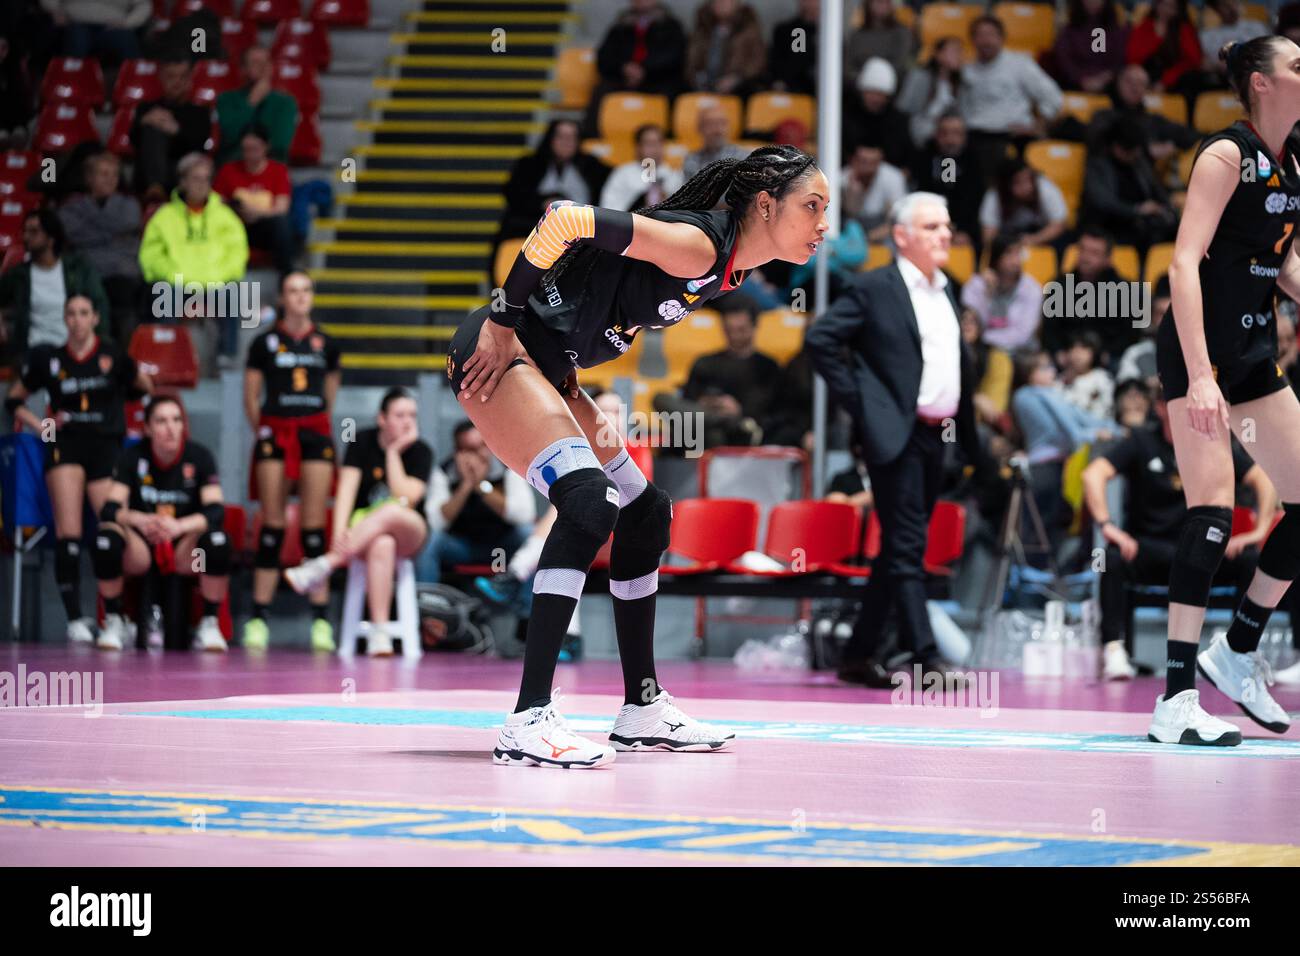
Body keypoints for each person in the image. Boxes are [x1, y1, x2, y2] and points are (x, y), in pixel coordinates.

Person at [446, 146, 830, 765]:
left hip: (554, 371)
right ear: (766, 204)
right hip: (503, 355)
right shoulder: (699, 245)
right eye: (812, 207)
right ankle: (528, 718)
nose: (822, 224)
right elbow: (566, 220)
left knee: (647, 510)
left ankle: (643, 706)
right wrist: (502, 319)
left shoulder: (729, 267)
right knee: (588, 502)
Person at [1147, 35, 1300, 745]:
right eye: (1297, 63)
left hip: (1253, 353)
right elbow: (1183, 263)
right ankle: (1174, 699)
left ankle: (1236, 652)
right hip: (1196, 349)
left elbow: (1281, 265)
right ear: (1262, 84)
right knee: (1212, 507)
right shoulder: (1225, 155)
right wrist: (1201, 374)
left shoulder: (1292, 164)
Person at [805, 192, 983, 689]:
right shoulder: (874, 288)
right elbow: (820, 340)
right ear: (901, 236)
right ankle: (924, 657)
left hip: (935, 438)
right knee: (906, 545)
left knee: (898, 550)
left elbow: (957, 371)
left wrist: (972, 446)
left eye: (946, 226)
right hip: (894, 436)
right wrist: (864, 404)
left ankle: (858, 655)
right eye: (931, 227)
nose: (944, 234)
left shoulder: (948, 289)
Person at [1082, 388, 1274, 680]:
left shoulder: (1213, 442)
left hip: (1203, 553)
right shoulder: (1140, 441)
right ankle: (1114, 650)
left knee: (1250, 559)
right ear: (1161, 407)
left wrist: (1259, 531)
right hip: (1151, 550)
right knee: (1110, 558)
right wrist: (1108, 526)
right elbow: (1092, 474)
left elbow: (1263, 478)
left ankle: (1241, 652)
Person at [4, 295, 152, 644]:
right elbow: (13, 399)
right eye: (70, 313)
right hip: (65, 445)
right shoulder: (49, 358)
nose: (77, 320)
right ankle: (74, 619)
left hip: (106, 446)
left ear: (95, 319)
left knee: (113, 527)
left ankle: (119, 615)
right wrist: (40, 424)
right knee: (68, 533)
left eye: (84, 313)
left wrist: (126, 398)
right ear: (65, 319)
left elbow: (145, 389)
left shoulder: (113, 355)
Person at [284, 388, 433, 657]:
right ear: (382, 419)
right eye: (400, 415)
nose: (408, 421)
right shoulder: (361, 442)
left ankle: (325, 564)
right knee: (382, 543)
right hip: (365, 530)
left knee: (392, 511)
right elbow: (346, 492)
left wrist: (393, 452)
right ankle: (379, 633)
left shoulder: (421, 451)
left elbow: (406, 498)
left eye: (412, 415)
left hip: (411, 529)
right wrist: (340, 532)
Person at [242, 271, 341, 652]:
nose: (299, 296)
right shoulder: (264, 342)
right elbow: (251, 396)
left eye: (305, 290)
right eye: (292, 290)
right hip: (275, 431)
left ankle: (320, 621)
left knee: (315, 529)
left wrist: (314, 425)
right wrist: (265, 430)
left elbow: (329, 396)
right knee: (272, 525)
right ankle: (258, 618)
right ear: (283, 298)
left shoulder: (326, 343)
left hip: (313, 432)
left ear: (312, 296)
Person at [93, 394, 231, 652]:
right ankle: (114, 620)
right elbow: (110, 509)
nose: (170, 428)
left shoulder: (199, 456)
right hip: (140, 548)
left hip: (185, 549)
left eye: (176, 420)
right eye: (161, 421)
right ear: (147, 428)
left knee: (217, 540)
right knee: (106, 538)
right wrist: (140, 519)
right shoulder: (132, 457)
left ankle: (209, 623)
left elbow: (215, 511)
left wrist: (178, 526)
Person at [137, 153, 249, 372]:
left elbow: (238, 255)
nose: (201, 184)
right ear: (183, 181)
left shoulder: (226, 216)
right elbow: (150, 256)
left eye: (205, 179)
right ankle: (166, 357)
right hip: (177, 284)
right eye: (195, 178)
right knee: (161, 293)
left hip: (216, 285)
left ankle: (227, 359)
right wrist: (174, 276)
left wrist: (216, 279)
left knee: (235, 293)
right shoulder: (164, 216)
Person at [652, 292, 781, 448]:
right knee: (661, 399)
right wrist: (706, 403)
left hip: (741, 431)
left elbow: (771, 412)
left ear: (754, 326)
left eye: (741, 330)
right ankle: (720, 420)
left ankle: (723, 421)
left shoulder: (767, 367)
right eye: (729, 330)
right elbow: (687, 403)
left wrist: (737, 410)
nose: (734, 336)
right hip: (700, 426)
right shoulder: (705, 362)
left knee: (716, 434)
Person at [416, 419, 536, 585]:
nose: (481, 454)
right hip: (462, 549)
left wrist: (481, 486)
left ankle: (525, 609)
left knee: (529, 534)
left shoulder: (507, 468)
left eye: (484, 446)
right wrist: (466, 485)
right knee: (430, 539)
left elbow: (524, 516)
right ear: (458, 453)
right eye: (471, 450)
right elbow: (435, 523)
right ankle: (428, 603)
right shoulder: (444, 473)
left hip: (499, 551)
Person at [959, 15, 1063, 182]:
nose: (986, 41)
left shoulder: (1019, 65)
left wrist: (1039, 125)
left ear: (1001, 38)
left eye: (991, 35)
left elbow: (1053, 97)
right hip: (974, 135)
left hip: (1011, 136)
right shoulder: (966, 70)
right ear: (973, 40)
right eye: (980, 35)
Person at [57, 151, 143, 347]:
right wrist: (114, 234)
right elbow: (71, 232)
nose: (110, 179)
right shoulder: (71, 207)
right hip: (88, 272)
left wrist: (91, 233)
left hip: (121, 273)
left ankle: (125, 357)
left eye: (114, 174)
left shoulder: (129, 205)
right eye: (104, 174)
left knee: (126, 296)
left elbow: (130, 222)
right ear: (89, 178)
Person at [0, 209, 109, 361]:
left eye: (34, 232)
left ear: (51, 238)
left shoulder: (77, 269)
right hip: (35, 355)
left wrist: (100, 347)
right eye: (25, 231)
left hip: (74, 352)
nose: (26, 237)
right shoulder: (19, 275)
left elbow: (99, 305)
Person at [499, 119, 610, 244]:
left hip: (580, 233)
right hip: (533, 229)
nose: (566, 142)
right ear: (550, 138)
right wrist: (543, 202)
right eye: (561, 136)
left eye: (572, 137)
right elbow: (513, 194)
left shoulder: (592, 166)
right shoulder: (529, 164)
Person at [585, 0, 687, 135]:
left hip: (657, 80)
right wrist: (624, 68)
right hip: (623, 79)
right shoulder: (619, 26)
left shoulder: (671, 26)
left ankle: (666, 139)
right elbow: (604, 57)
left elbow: (675, 57)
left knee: (675, 92)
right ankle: (591, 138)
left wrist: (645, 70)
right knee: (601, 90)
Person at [1082, 115, 1178, 253]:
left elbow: (1155, 188)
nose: (1136, 154)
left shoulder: (1138, 161)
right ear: (1117, 148)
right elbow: (1103, 203)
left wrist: (1166, 207)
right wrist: (1137, 209)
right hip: (1110, 226)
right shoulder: (1098, 165)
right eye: (1131, 151)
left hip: (1142, 226)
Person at [1040, 226, 1132, 364]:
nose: (1086, 257)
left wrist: (1103, 356)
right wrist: (1059, 352)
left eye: (1094, 253)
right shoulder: (1058, 286)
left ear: (1107, 259)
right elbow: (1049, 331)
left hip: (1107, 360)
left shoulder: (1126, 290)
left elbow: (1130, 335)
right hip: (1066, 359)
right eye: (1082, 250)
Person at [213, 126, 295, 275]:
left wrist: (256, 213)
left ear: (266, 147)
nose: (250, 154)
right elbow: (215, 203)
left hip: (262, 227)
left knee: (281, 224)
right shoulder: (228, 170)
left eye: (255, 149)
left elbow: (281, 208)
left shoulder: (278, 171)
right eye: (246, 149)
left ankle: (286, 275)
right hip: (234, 225)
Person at [130, 56, 211, 203]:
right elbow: (134, 142)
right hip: (149, 172)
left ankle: (157, 187)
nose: (177, 82)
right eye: (171, 76)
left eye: (182, 76)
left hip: (185, 173)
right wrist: (143, 123)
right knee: (153, 127)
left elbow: (200, 145)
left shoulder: (200, 112)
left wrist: (176, 130)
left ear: (189, 79)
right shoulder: (147, 108)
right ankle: (156, 187)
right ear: (161, 78)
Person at [909, 111, 983, 252]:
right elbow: (923, 195)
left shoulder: (974, 160)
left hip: (965, 228)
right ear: (936, 135)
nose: (950, 140)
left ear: (964, 136)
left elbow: (973, 199)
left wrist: (961, 229)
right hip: (928, 224)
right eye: (944, 133)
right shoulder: (924, 157)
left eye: (956, 133)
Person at [214, 45, 298, 167]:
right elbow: (230, 134)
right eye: (255, 62)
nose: (262, 67)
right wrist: (252, 101)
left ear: (271, 67)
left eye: (265, 62)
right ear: (243, 68)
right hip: (233, 165)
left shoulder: (285, 102)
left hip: (271, 168)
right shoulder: (226, 99)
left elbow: (281, 143)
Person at [961, 231, 1044, 351]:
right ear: (996, 257)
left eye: (1018, 253)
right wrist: (987, 294)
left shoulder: (1031, 288)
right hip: (982, 352)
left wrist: (985, 338)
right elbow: (972, 328)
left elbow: (1023, 334)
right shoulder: (976, 286)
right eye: (1009, 254)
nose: (1015, 261)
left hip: (1020, 352)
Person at [978, 157, 1069, 252]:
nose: (1027, 187)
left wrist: (1034, 239)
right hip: (1008, 241)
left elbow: (1059, 224)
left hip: (1041, 237)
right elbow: (988, 237)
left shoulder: (1045, 187)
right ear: (1006, 185)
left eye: (1029, 179)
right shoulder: (994, 196)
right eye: (1019, 182)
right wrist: (1008, 246)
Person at [841, 57, 912, 171]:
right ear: (862, 91)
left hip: (886, 175)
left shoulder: (898, 121)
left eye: (880, 94)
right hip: (852, 172)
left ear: (888, 96)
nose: (875, 98)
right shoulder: (847, 116)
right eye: (871, 92)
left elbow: (903, 156)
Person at [684, 0, 766, 97]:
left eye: (726, 2)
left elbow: (757, 62)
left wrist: (736, 78)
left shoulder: (749, 30)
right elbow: (692, 60)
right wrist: (698, 78)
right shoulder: (702, 30)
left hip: (740, 87)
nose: (721, 5)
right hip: (704, 85)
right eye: (717, 2)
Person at [895, 38, 965, 152]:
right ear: (938, 54)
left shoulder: (959, 84)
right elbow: (904, 109)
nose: (959, 56)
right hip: (918, 136)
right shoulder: (919, 77)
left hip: (945, 140)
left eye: (960, 52)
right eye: (954, 51)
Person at [1046, 0, 1129, 94]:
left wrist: (1106, 78)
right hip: (1074, 84)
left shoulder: (1117, 31)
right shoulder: (1069, 31)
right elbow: (1063, 60)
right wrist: (1081, 79)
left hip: (1109, 85)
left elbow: (1119, 60)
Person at [598, 124, 684, 212]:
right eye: (649, 143)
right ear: (638, 147)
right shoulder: (623, 174)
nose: (655, 148)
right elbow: (607, 208)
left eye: (659, 142)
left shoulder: (674, 175)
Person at [1126, 0, 1203, 95]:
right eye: (1163, 4)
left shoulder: (1184, 30)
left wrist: (1166, 81)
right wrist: (1157, 38)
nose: (1166, 10)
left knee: (1192, 79)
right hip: (1148, 76)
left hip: (1176, 79)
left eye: (1171, 6)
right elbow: (1133, 58)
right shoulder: (1145, 27)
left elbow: (1193, 61)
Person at [841, 143, 907, 243]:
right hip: (851, 233)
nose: (868, 167)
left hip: (883, 234)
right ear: (853, 160)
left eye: (873, 162)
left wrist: (867, 238)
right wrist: (853, 191)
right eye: (863, 161)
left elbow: (897, 220)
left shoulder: (893, 178)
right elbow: (849, 213)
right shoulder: (842, 178)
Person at [844, 0, 915, 88]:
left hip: (892, 83)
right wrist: (864, 79)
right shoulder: (857, 35)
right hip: (860, 86)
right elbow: (849, 66)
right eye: (879, 2)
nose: (883, 6)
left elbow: (900, 63)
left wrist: (879, 77)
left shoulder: (901, 33)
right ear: (869, 4)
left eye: (886, 2)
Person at [1058, 330, 1115, 420]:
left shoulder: (1103, 379)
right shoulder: (1060, 381)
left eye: (1083, 348)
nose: (1077, 354)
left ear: (1094, 352)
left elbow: (1104, 411)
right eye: (1073, 348)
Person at [767, 0, 818, 95]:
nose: (812, 3)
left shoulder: (831, 35)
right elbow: (780, 66)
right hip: (793, 90)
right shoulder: (786, 31)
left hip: (822, 91)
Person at [681, 106, 747, 179]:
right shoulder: (691, 160)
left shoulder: (743, 158)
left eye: (722, 123)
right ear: (699, 128)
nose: (717, 130)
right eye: (711, 124)